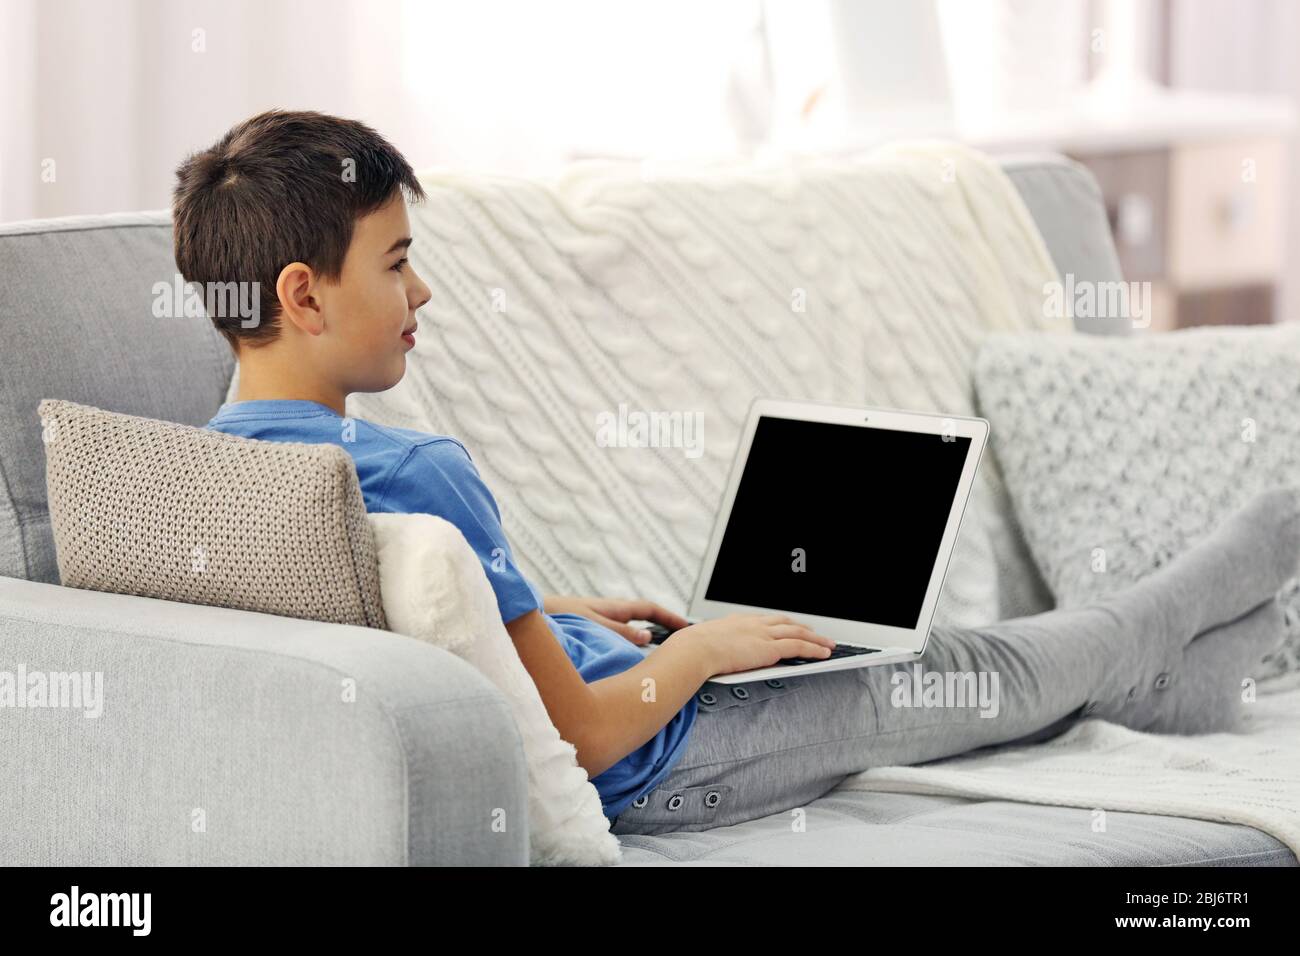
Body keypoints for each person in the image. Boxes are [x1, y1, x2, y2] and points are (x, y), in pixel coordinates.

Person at [184, 110, 1296, 836]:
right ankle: (1209, 586)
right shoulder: (420, 465)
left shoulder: (215, 470)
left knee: (973, 669)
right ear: (301, 293)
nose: (420, 294)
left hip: (642, 687)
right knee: (987, 666)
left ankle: (1186, 675)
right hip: (671, 749)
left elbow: (406, 614)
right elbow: (576, 737)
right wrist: (709, 649)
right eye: (397, 261)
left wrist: (546, 608)